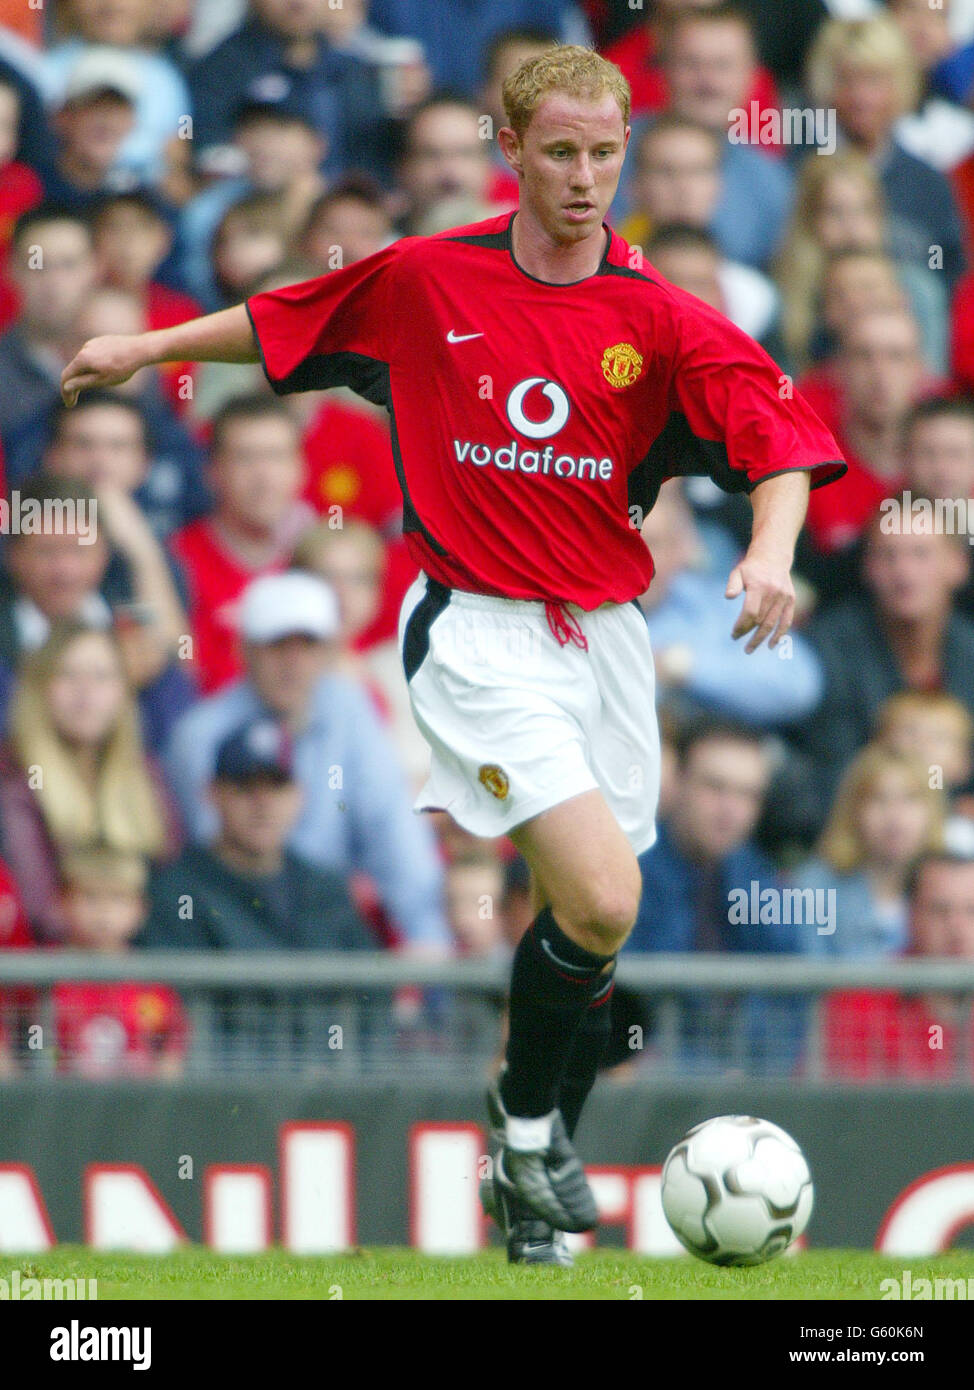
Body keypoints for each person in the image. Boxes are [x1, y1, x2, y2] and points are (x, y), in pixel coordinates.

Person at [60, 44, 846, 1263]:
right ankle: (525, 1128)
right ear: (513, 152)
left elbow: (778, 439)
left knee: (587, 928)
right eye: (562, 154)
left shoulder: (660, 315)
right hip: (474, 628)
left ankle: (528, 1180)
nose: (586, 178)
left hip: (606, 639)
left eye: (605, 153)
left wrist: (770, 547)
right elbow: (284, 319)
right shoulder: (430, 278)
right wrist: (148, 349)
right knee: (601, 894)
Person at [161, 570, 449, 953]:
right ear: (244, 650)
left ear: (330, 652)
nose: (292, 662)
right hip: (233, 935)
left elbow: (395, 837)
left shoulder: (351, 709)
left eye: (307, 645)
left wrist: (427, 939)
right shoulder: (200, 734)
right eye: (277, 645)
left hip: (329, 923)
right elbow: (222, 865)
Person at [625, 718, 809, 1076]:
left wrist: (749, 1071)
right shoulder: (628, 873)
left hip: (744, 1088)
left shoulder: (761, 882)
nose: (731, 809)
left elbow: (790, 1000)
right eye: (715, 787)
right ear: (677, 782)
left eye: (748, 794)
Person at [0, 621, 181, 942]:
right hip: (53, 976)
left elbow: (173, 886)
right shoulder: (14, 779)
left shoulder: (146, 772)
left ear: (123, 690)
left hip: (138, 974)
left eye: (102, 676)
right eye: (68, 675)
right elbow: (36, 909)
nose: (86, 691)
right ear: (39, 687)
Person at [142, 718, 373, 951]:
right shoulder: (178, 893)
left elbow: (371, 982)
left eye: (277, 786)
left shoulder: (325, 889)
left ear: (299, 795)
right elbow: (183, 984)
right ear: (212, 793)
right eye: (244, 786)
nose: (263, 804)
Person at [168, 394, 314, 693]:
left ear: (301, 469)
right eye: (245, 457)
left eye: (276, 456)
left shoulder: (322, 562)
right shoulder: (176, 559)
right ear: (212, 472)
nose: (264, 476)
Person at [823, 850, 974, 1081]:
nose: (957, 927)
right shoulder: (860, 1003)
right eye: (939, 911)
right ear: (911, 915)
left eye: (971, 911)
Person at [790, 743, 945, 958]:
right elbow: (808, 986)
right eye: (879, 799)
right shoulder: (812, 889)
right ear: (853, 810)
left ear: (932, 811)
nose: (895, 817)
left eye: (911, 799)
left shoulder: (950, 888)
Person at [51, 846, 187, 1079]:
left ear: (140, 909)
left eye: (118, 898)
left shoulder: (150, 981)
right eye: (90, 897)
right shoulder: (45, 976)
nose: (104, 912)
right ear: (62, 902)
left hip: (136, 1109)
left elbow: (174, 1039)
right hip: (60, 1108)